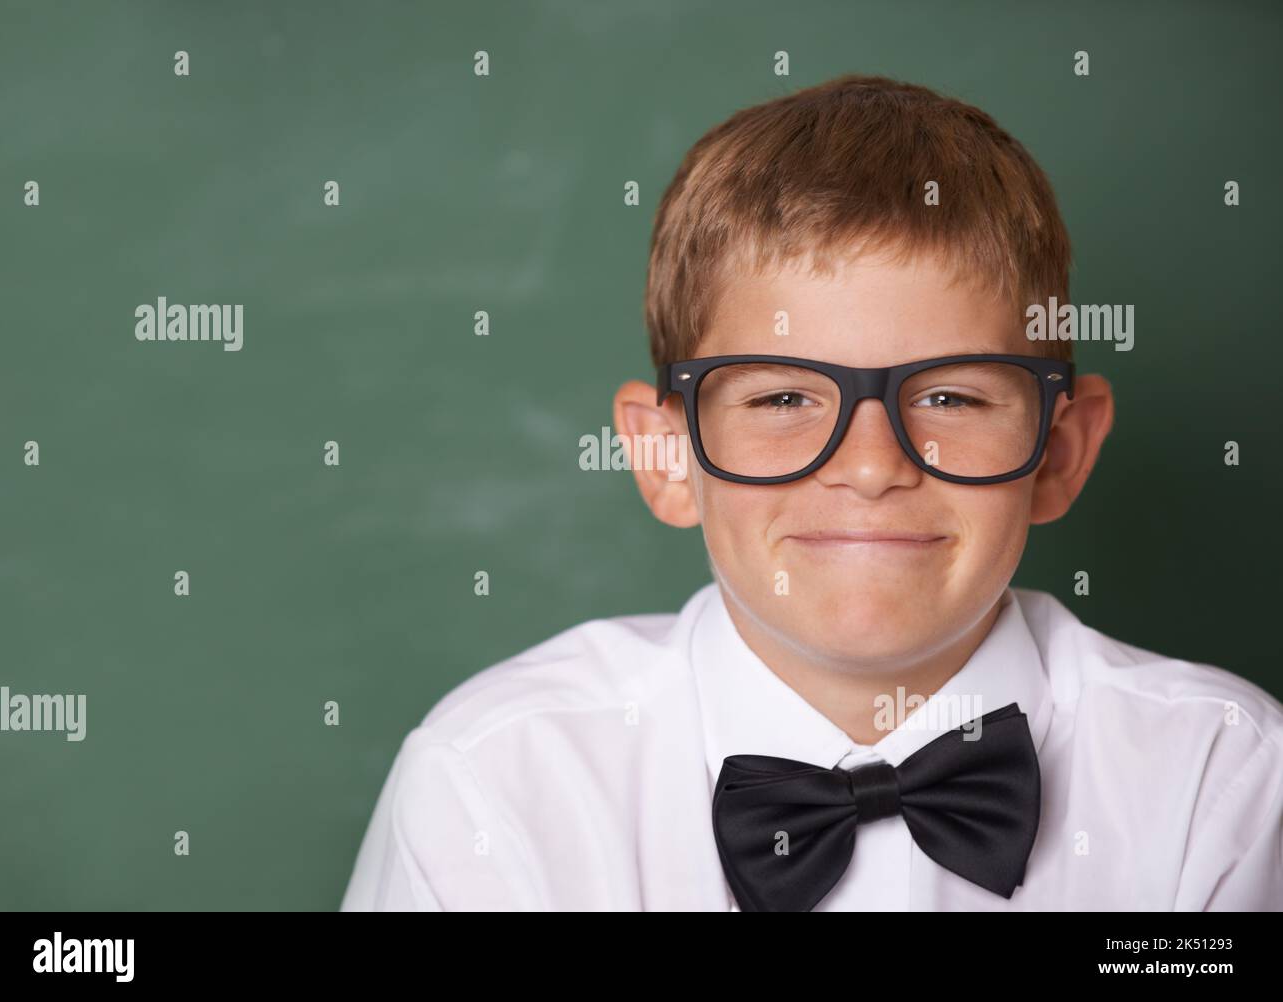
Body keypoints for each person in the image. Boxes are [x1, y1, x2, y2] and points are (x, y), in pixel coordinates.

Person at [341, 73, 1283, 911]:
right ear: (667, 455)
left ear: (1059, 452)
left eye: (950, 395)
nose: (872, 467)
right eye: (784, 396)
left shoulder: (1223, 781)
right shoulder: (497, 786)